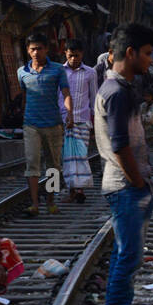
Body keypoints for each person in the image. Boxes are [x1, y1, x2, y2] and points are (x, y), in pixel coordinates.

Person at [94, 23, 153, 305]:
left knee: (129, 258)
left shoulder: (118, 88)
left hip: (127, 186)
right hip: (124, 187)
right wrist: (137, 182)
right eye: (147, 53)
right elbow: (120, 145)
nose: (150, 60)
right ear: (130, 53)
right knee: (126, 256)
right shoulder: (117, 93)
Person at [17, 33, 72, 217]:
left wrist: (69, 113)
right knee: (32, 164)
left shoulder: (57, 70)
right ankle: (34, 204)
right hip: (31, 124)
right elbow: (25, 97)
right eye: (32, 49)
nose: (36, 52)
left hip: (53, 124)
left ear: (46, 49)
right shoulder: (22, 72)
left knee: (54, 166)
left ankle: (50, 202)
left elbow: (65, 93)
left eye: (39, 48)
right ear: (27, 50)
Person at [62, 40, 98, 204]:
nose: (74, 59)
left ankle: (79, 190)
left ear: (82, 54)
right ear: (65, 54)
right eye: (70, 56)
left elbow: (94, 98)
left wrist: (95, 123)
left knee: (79, 156)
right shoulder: (59, 72)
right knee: (61, 158)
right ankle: (55, 193)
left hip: (82, 120)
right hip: (61, 120)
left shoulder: (90, 73)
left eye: (76, 55)